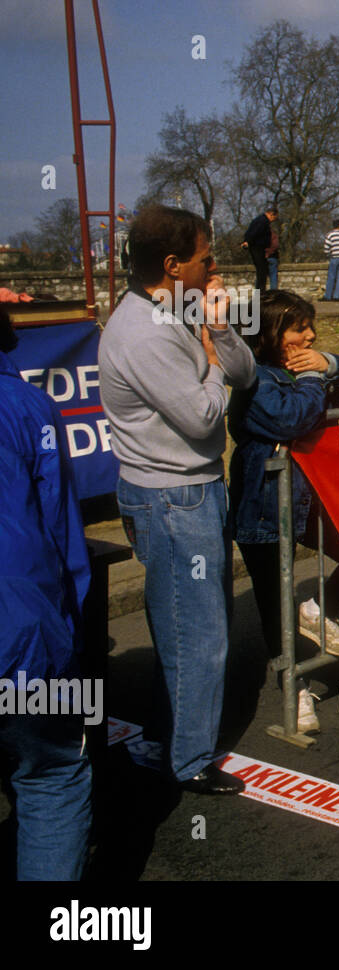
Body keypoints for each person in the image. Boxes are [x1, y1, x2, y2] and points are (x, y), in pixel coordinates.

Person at [99, 204, 256, 796]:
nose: (215, 267)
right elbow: (201, 414)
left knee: (195, 620)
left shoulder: (181, 309)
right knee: (199, 632)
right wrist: (212, 368)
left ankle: (179, 735)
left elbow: (246, 377)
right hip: (172, 498)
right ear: (171, 265)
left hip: (194, 489)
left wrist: (219, 328)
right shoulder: (141, 332)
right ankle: (189, 760)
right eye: (205, 258)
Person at [229, 290, 339, 734]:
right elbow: (292, 419)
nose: (310, 335)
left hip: (312, 495)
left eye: (311, 325)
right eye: (298, 329)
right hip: (264, 505)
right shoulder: (255, 380)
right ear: (268, 334)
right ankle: (295, 688)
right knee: (275, 603)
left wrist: (330, 364)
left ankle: (320, 611)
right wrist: (315, 381)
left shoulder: (309, 366)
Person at [0, 307, 93, 879]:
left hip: (21, 632)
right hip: (22, 640)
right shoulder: (26, 405)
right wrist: (72, 640)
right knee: (52, 775)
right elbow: (63, 538)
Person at [242, 202, 278, 292]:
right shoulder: (263, 221)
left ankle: (260, 292)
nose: (273, 220)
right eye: (274, 218)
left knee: (261, 271)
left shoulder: (259, 220)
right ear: (271, 214)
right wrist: (247, 241)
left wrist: (247, 240)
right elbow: (255, 231)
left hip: (257, 247)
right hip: (257, 247)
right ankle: (261, 293)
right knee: (261, 271)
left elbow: (251, 231)